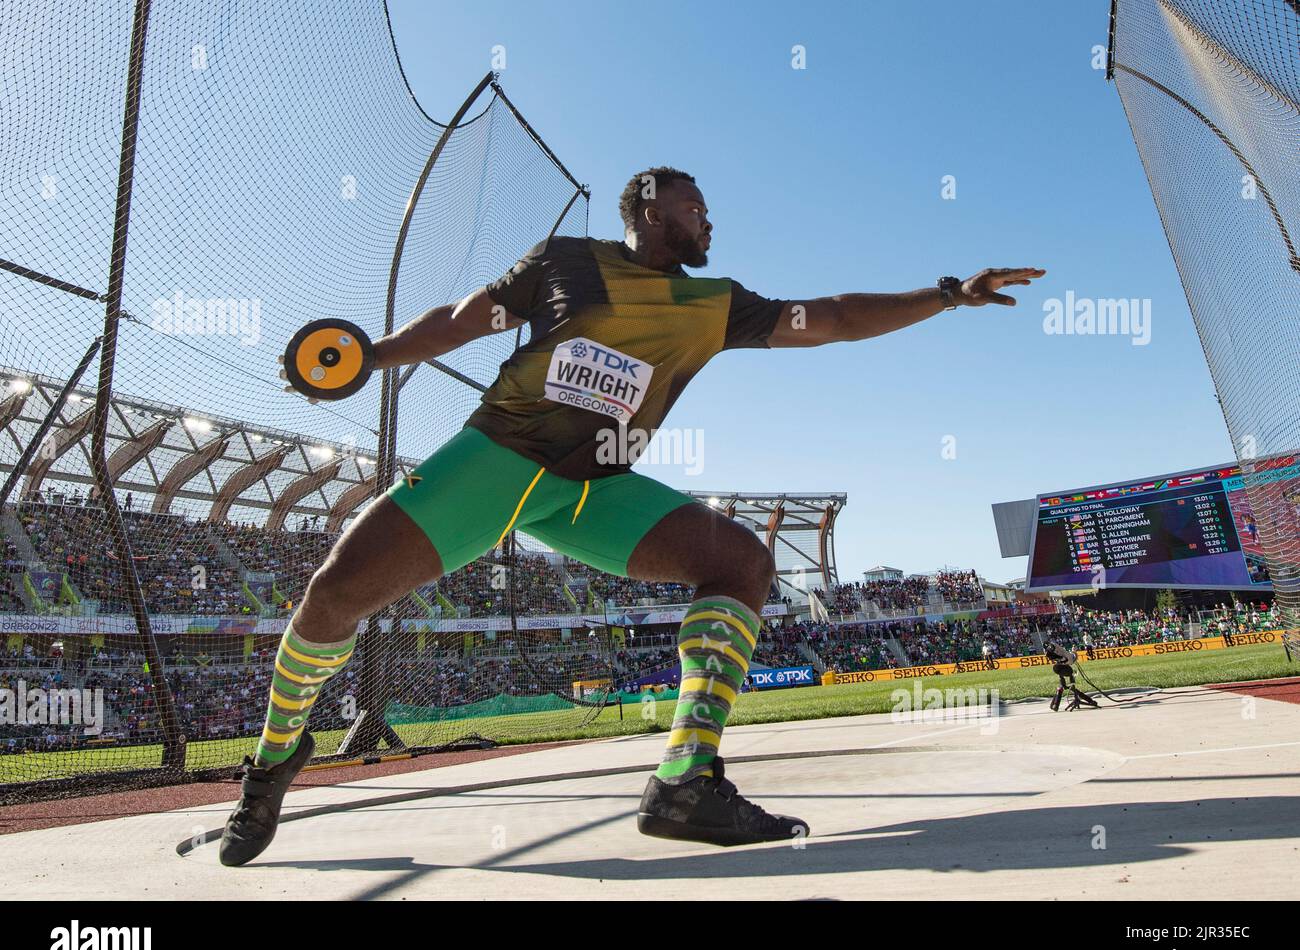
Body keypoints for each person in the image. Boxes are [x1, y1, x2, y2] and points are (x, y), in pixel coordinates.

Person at [219, 165, 1044, 865]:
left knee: (742, 563)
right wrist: (367, 356)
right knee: (332, 599)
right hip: (502, 456)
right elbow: (462, 323)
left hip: (598, 489)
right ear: (651, 208)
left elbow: (828, 318)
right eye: (694, 206)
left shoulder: (715, 303)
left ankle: (686, 782)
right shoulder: (564, 261)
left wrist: (946, 295)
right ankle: (275, 756)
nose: (708, 218)